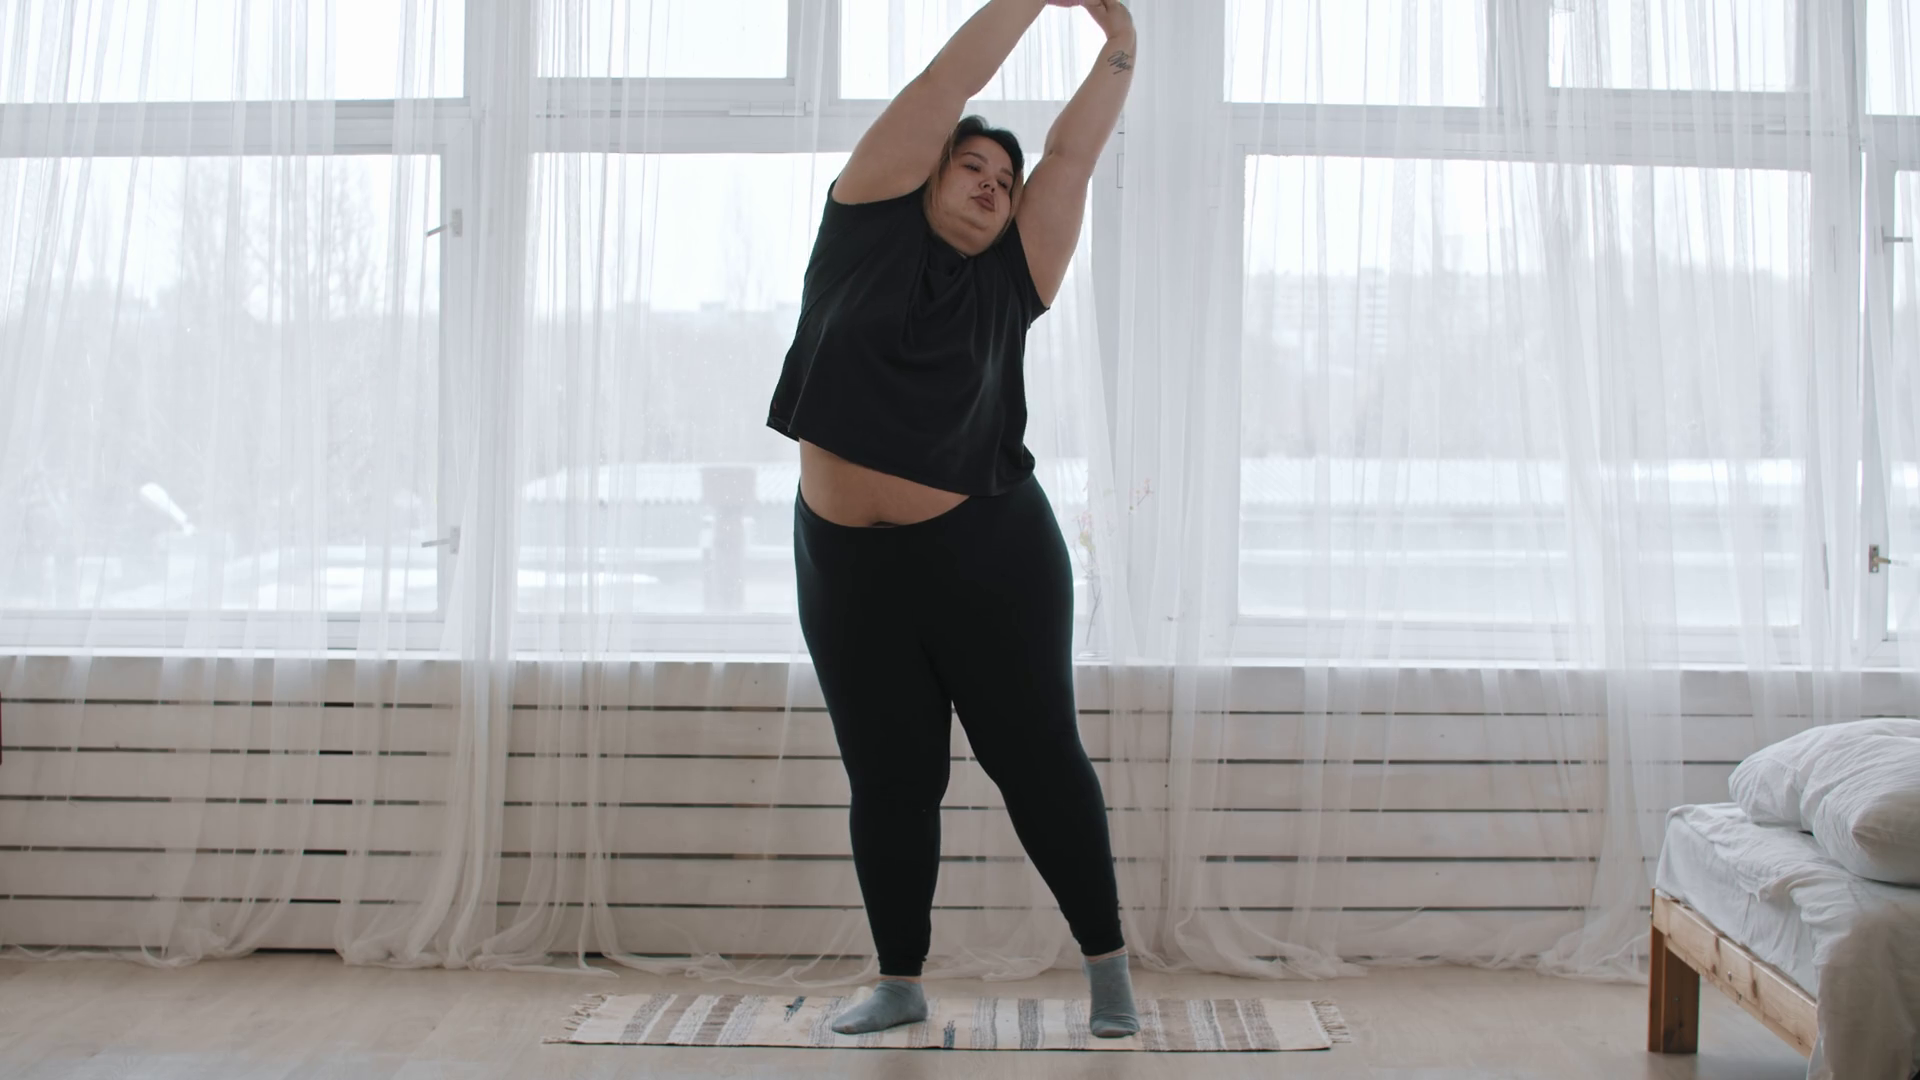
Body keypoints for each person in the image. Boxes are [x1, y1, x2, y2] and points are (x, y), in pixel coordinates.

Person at [765, 0, 1139, 1040]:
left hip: (991, 554)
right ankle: (900, 980)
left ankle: (1109, 971)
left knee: (1034, 758)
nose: (992, 183)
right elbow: (940, 87)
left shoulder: (1010, 283)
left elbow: (1069, 155)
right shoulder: (863, 223)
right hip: (845, 564)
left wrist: (1121, 47)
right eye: (973, 165)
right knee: (890, 776)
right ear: (926, 170)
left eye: (1004, 184)